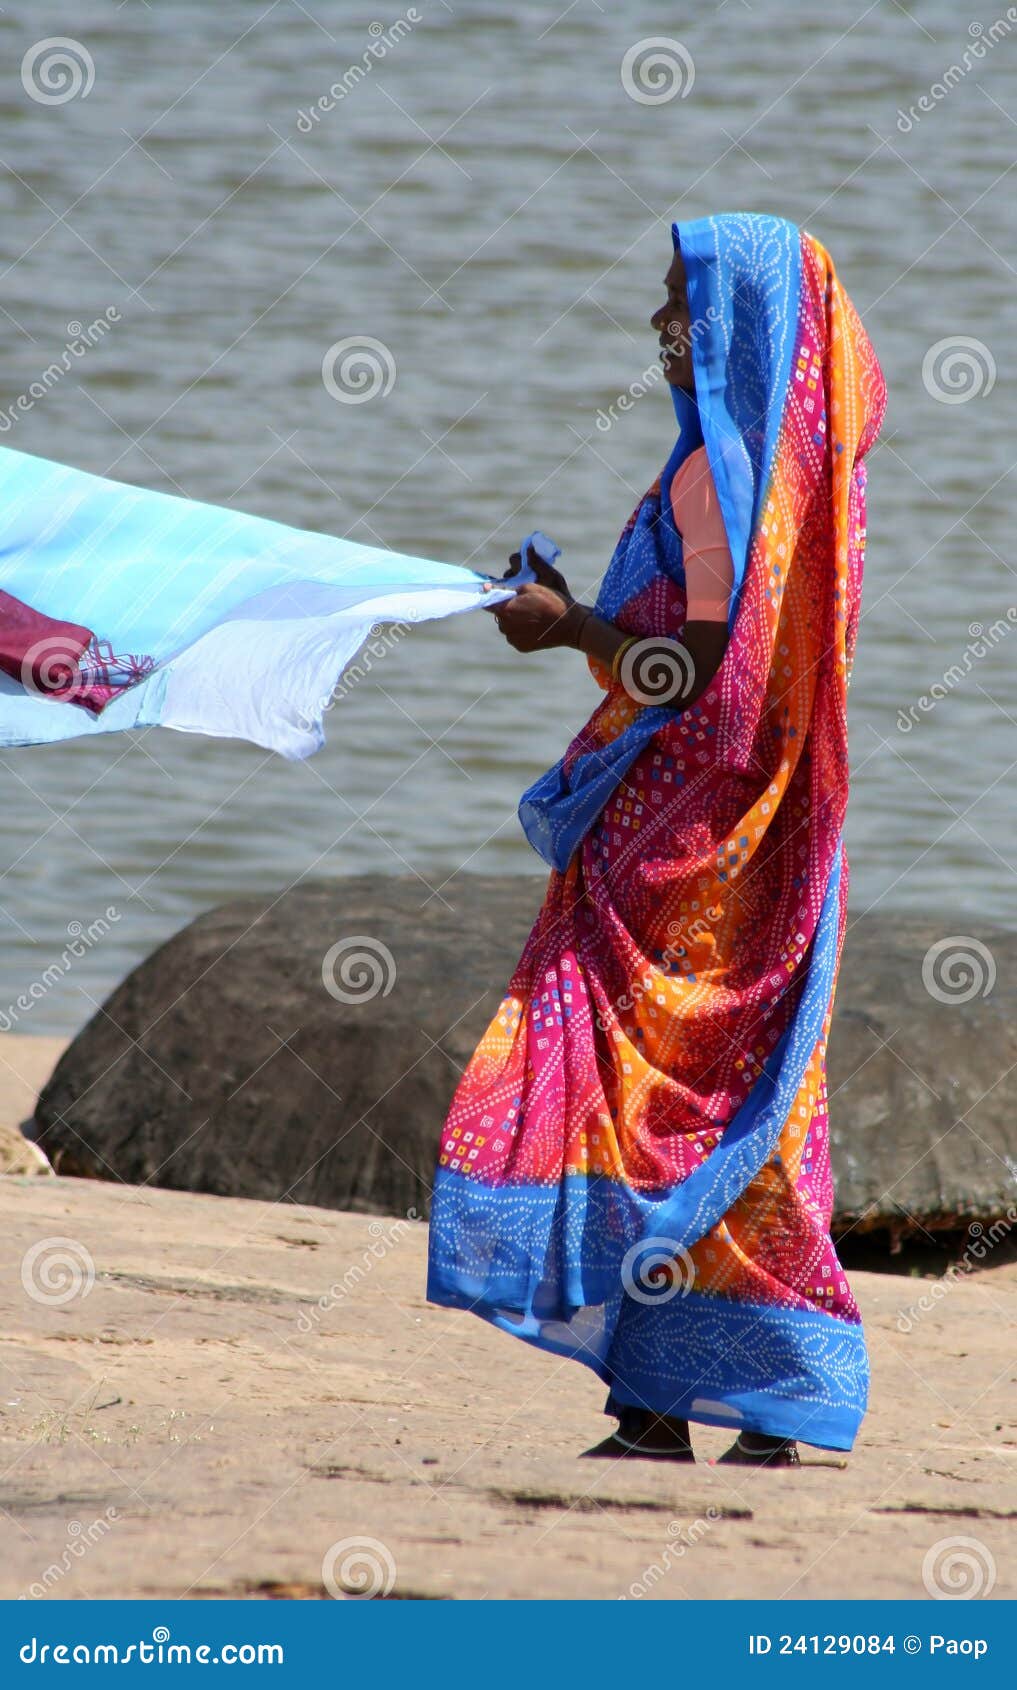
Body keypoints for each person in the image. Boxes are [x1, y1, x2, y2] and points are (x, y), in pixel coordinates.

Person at [426, 212, 887, 1466]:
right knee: (744, 1109)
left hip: (679, 864)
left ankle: (660, 1401)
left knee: (626, 1101)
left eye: (681, 301)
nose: (658, 326)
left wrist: (572, 626)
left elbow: (705, 680)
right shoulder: (807, 488)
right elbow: (749, 677)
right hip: (773, 851)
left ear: (739, 323)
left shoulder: (718, 483)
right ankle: (734, 1398)